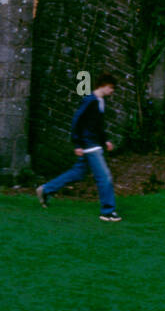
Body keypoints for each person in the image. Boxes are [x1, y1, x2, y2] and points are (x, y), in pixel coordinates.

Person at [36, 73, 122, 221]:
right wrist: (77, 144)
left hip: (94, 144)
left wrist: (106, 140)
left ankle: (45, 190)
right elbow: (77, 121)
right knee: (104, 177)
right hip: (89, 146)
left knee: (78, 173)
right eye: (111, 88)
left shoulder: (100, 101)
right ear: (104, 85)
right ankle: (107, 212)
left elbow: (98, 125)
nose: (112, 91)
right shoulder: (89, 100)